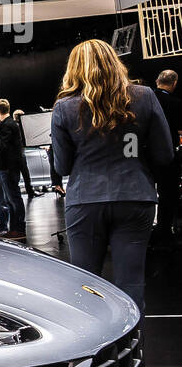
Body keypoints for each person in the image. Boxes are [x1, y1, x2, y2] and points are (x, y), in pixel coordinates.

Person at [52, 40, 174, 312]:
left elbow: (62, 166)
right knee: (131, 285)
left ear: (75, 69)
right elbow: (165, 154)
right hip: (135, 195)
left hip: (85, 199)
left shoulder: (64, 108)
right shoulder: (144, 96)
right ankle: (133, 353)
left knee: (86, 286)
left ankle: (95, 354)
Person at [152, 69, 182, 245]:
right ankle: (164, 230)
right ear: (175, 83)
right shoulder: (176, 103)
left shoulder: (145, 99)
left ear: (157, 81)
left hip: (143, 154)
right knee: (168, 193)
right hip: (167, 154)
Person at [0, 99, 27, 239]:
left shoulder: (6, 126)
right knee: (13, 199)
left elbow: (2, 148)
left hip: (7, 167)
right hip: (11, 167)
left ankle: (18, 229)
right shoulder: (11, 124)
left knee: (14, 199)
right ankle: (15, 229)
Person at [12, 108, 39, 197]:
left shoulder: (15, 126)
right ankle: (29, 192)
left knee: (22, 175)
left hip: (18, 153)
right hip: (19, 153)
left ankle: (28, 191)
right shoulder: (18, 126)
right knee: (24, 174)